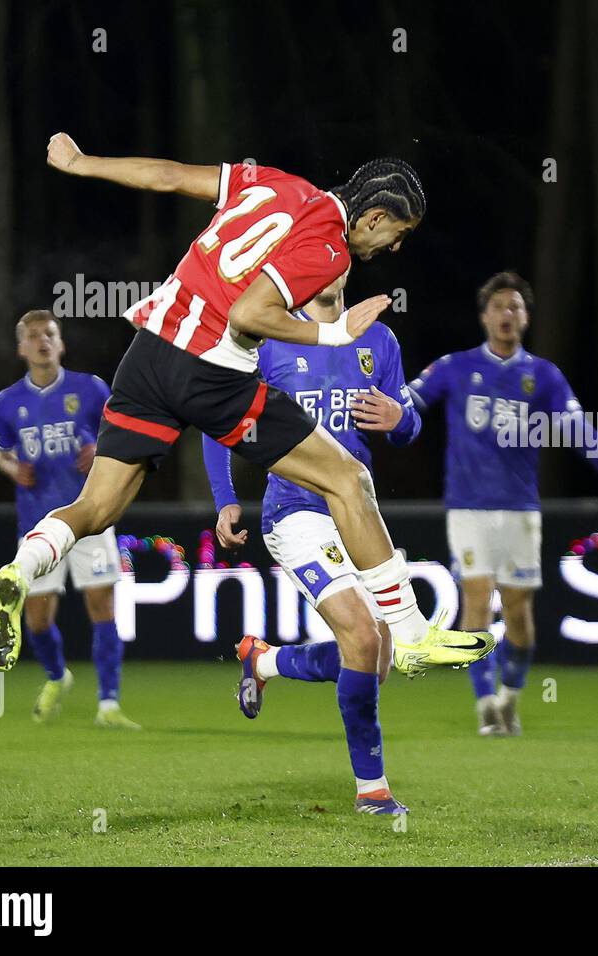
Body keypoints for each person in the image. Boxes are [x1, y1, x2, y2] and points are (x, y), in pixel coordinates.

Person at [0, 135, 496, 725]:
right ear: (374, 216)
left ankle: (21, 569)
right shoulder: (332, 249)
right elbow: (250, 315)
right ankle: (408, 633)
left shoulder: (274, 182)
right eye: (397, 232)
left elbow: (170, 175)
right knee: (348, 478)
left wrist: (82, 163)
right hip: (214, 374)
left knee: (94, 508)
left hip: (148, 358)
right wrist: (336, 335)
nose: (396, 246)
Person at [408, 271, 598, 736]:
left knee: (519, 612)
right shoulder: (455, 367)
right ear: (484, 316)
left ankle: (509, 698)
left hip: (520, 509)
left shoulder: (542, 376)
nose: (507, 313)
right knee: (477, 600)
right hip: (468, 506)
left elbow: (580, 433)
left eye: (515, 306)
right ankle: (485, 705)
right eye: (499, 306)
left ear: (525, 317)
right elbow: (407, 407)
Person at [202, 273, 418, 813]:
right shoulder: (273, 336)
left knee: (376, 658)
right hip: (294, 512)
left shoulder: (378, 340)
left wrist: (401, 418)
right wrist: (226, 495)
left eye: (340, 257)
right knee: (364, 640)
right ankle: (373, 790)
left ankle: (264, 662)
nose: (332, 267)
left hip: (356, 516)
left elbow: (407, 425)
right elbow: (215, 418)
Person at [0, 310, 140, 729]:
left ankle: (108, 703)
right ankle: (58, 676)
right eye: (34, 336)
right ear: (22, 347)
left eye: (49, 334)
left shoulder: (90, 390)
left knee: (102, 605)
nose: (42, 341)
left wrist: (101, 450)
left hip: (90, 515)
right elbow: (2, 452)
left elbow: (122, 431)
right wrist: (10, 468)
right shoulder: (7, 403)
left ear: (61, 343)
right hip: (38, 525)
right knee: (36, 618)